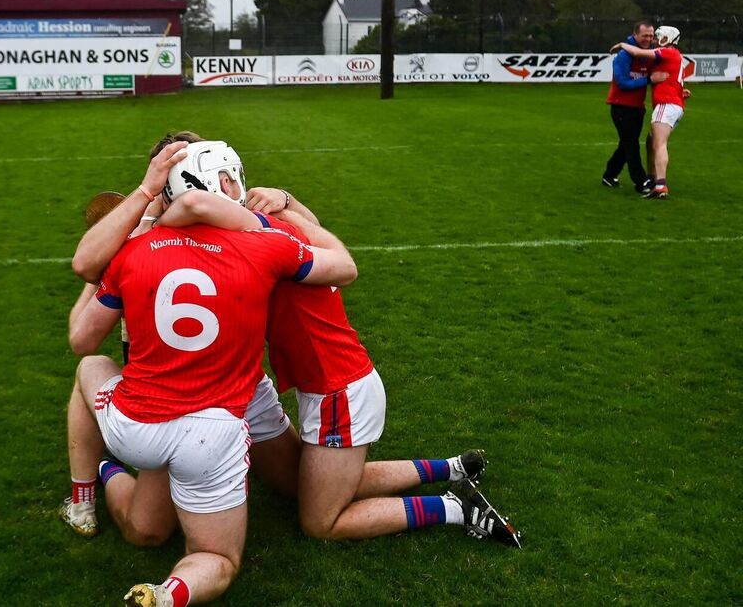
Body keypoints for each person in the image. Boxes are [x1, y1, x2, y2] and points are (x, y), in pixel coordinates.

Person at [69, 132, 521, 551]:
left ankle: (455, 506)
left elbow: (340, 262)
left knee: (320, 519)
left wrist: (274, 205)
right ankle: (452, 467)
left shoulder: (257, 233)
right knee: (299, 486)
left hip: (335, 386)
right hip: (262, 384)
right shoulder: (248, 231)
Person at [67, 140, 359, 606]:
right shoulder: (264, 244)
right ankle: (168, 595)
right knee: (217, 557)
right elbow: (344, 266)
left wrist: (110, 265)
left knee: (91, 368)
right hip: (213, 431)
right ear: (224, 181)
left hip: (136, 427)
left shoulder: (135, 250)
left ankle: (90, 483)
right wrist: (273, 211)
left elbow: (82, 336)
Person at [613, 26, 691, 199]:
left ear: (668, 38)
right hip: (673, 105)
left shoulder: (668, 52)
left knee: (659, 143)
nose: (655, 40)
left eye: (658, 36)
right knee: (650, 142)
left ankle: (661, 185)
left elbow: (640, 54)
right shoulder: (674, 55)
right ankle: (652, 178)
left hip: (667, 104)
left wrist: (622, 45)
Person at [603, 22, 660, 194]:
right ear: (635, 35)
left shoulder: (647, 54)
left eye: (651, 36)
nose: (648, 39)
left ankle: (609, 174)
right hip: (621, 107)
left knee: (626, 144)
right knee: (632, 145)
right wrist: (648, 80)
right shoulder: (624, 56)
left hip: (637, 107)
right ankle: (640, 181)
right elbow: (622, 83)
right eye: (645, 35)